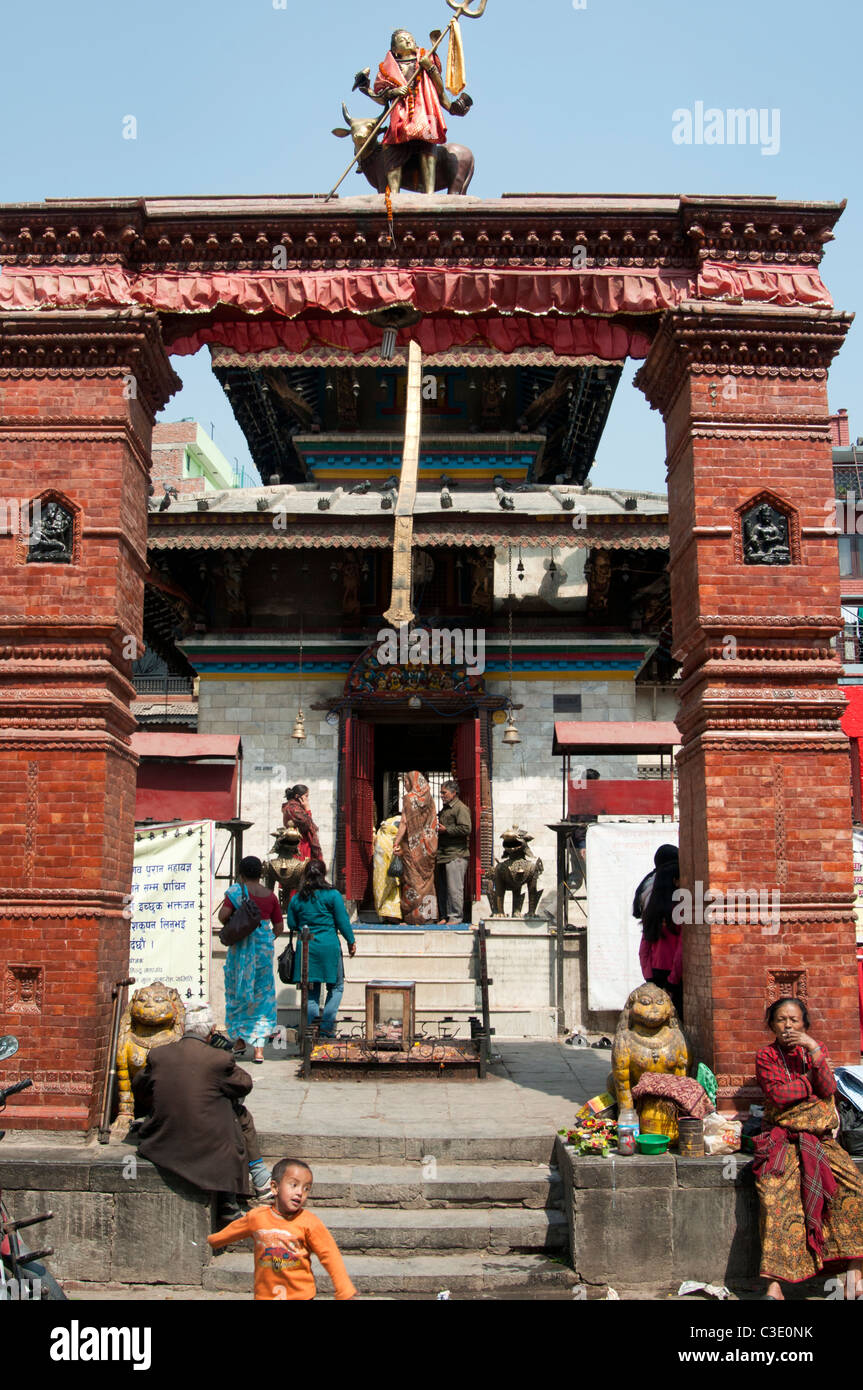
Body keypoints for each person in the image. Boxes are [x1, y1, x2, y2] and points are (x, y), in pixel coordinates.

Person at [752, 997, 863, 1300]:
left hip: (821, 1140)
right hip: (783, 1140)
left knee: (855, 1188)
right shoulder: (766, 1056)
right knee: (776, 1199)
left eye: (794, 1020)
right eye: (781, 1020)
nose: (788, 1026)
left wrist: (814, 1050)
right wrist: (809, 1080)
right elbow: (779, 1095)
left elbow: (828, 1088)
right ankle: (775, 1287)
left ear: (804, 1023)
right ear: (772, 1025)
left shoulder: (816, 1051)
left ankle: (855, 1269)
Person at [133, 1005, 267, 1225]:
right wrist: (223, 1052)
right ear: (212, 1031)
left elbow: (140, 1086)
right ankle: (230, 1199)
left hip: (162, 1138)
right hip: (207, 1145)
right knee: (234, 1111)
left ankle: (244, 1187)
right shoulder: (218, 1059)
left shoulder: (159, 1054)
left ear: (184, 1028)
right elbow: (244, 1084)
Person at [207, 1157, 357, 1300]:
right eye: (294, 1185)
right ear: (274, 1187)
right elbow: (235, 1229)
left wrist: (344, 1287)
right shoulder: (257, 1217)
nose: (300, 1192)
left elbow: (329, 1254)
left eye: (306, 1188)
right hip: (265, 1295)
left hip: (301, 1295)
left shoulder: (309, 1223)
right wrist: (214, 1240)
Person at [218, 855, 284, 1064]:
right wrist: (264, 936)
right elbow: (279, 927)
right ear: (261, 873)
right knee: (262, 996)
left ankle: (239, 1040)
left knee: (238, 992)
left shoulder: (235, 892)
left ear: (241, 873)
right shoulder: (270, 896)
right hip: (263, 950)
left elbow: (223, 916)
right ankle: (259, 1050)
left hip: (240, 949)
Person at [288, 859, 356, 1038]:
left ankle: (311, 1031)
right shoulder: (332, 895)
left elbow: (292, 923)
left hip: (306, 947)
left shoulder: (298, 897)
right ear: (324, 874)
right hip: (328, 945)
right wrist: (351, 941)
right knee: (337, 986)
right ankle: (326, 1027)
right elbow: (342, 921)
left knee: (310, 991)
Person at [374, 29, 447, 194]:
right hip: (400, 114)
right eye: (402, 39)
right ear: (394, 49)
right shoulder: (387, 68)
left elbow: (440, 89)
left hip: (426, 110)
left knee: (428, 147)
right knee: (391, 149)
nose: (408, 41)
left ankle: (429, 192)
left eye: (410, 38)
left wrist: (430, 68)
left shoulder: (427, 59)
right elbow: (379, 96)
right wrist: (393, 92)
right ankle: (394, 194)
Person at [636, 845, 682, 1020]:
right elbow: (680, 951)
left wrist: (650, 979)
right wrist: (673, 980)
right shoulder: (680, 909)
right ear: (675, 880)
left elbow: (643, 950)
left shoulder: (652, 908)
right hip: (674, 976)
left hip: (656, 972)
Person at [392, 771, 438, 925]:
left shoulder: (409, 799)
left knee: (412, 881)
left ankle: (413, 917)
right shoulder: (430, 800)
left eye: (405, 782)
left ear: (411, 782)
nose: (404, 785)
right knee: (427, 882)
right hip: (429, 848)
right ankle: (429, 916)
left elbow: (404, 822)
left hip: (412, 848)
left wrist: (396, 842)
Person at [435, 779, 471, 924]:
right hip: (443, 854)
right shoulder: (445, 809)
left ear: (454, 793)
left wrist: (446, 830)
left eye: (444, 792)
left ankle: (455, 916)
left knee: (454, 888)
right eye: (441, 793)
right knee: (443, 888)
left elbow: (466, 828)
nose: (442, 795)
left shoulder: (460, 808)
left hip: (456, 854)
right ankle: (444, 916)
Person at [281, 783, 323, 862]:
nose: (308, 799)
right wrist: (307, 809)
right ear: (297, 796)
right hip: (300, 846)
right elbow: (307, 824)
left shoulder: (297, 808)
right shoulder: (292, 808)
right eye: (306, 796)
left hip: (303, 844)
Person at [372, 814, 402, 923]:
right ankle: (392, 916)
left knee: (381, 886)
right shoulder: (399, 823)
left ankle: (383, 914)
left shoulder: (382, 831)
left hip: (380, 860)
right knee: (394, 886)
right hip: (390, 857)